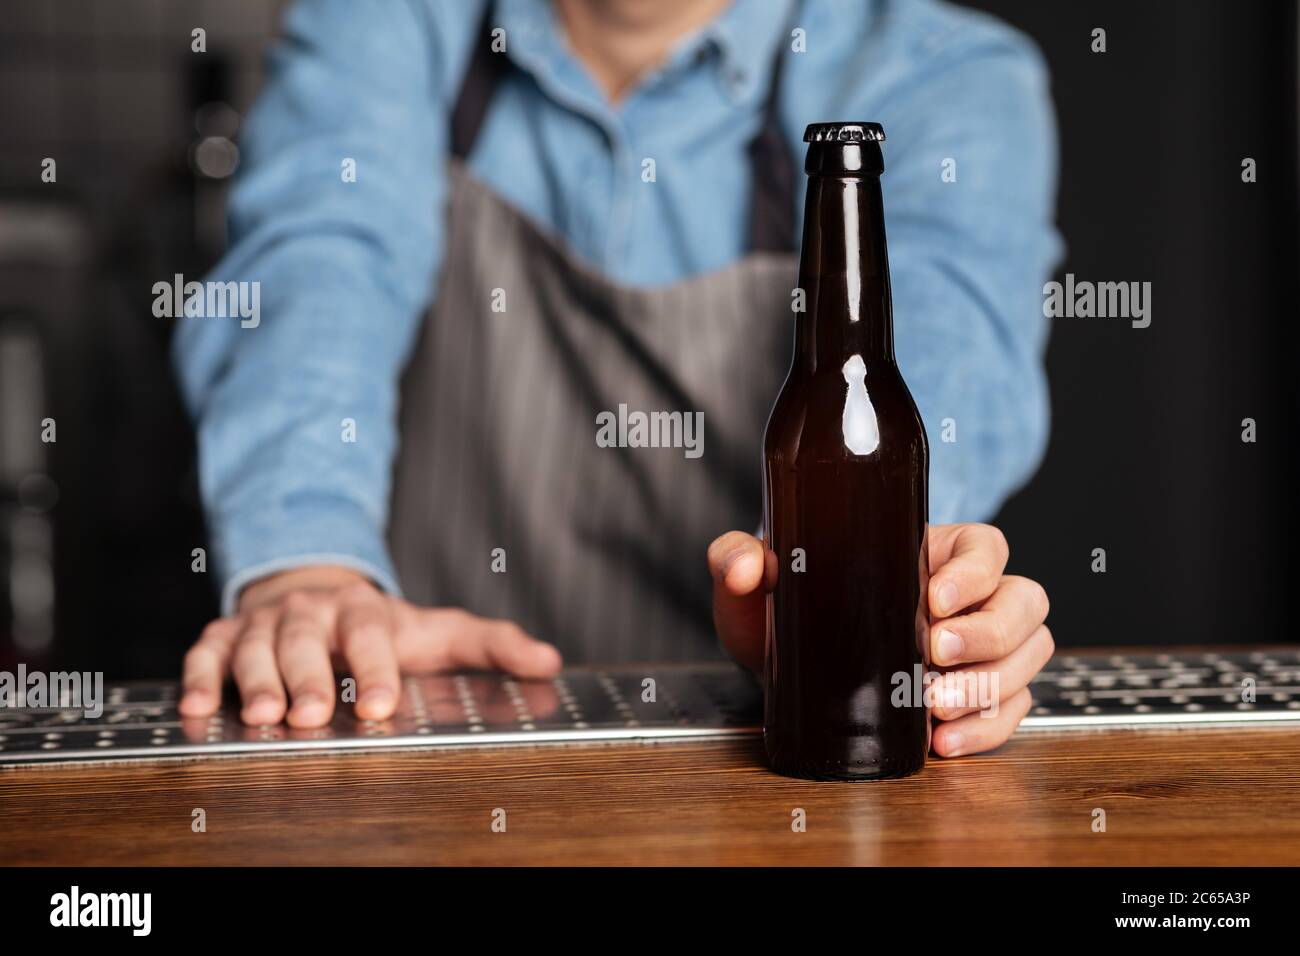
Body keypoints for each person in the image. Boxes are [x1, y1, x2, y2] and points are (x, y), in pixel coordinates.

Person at [173, 0, 1061, 759]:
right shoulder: (388, 22)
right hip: (427, 752)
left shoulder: (951, 77)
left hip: (741, 772)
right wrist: (309, 579)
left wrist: (853, 600)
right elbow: (322, 261)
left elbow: (936, 365)